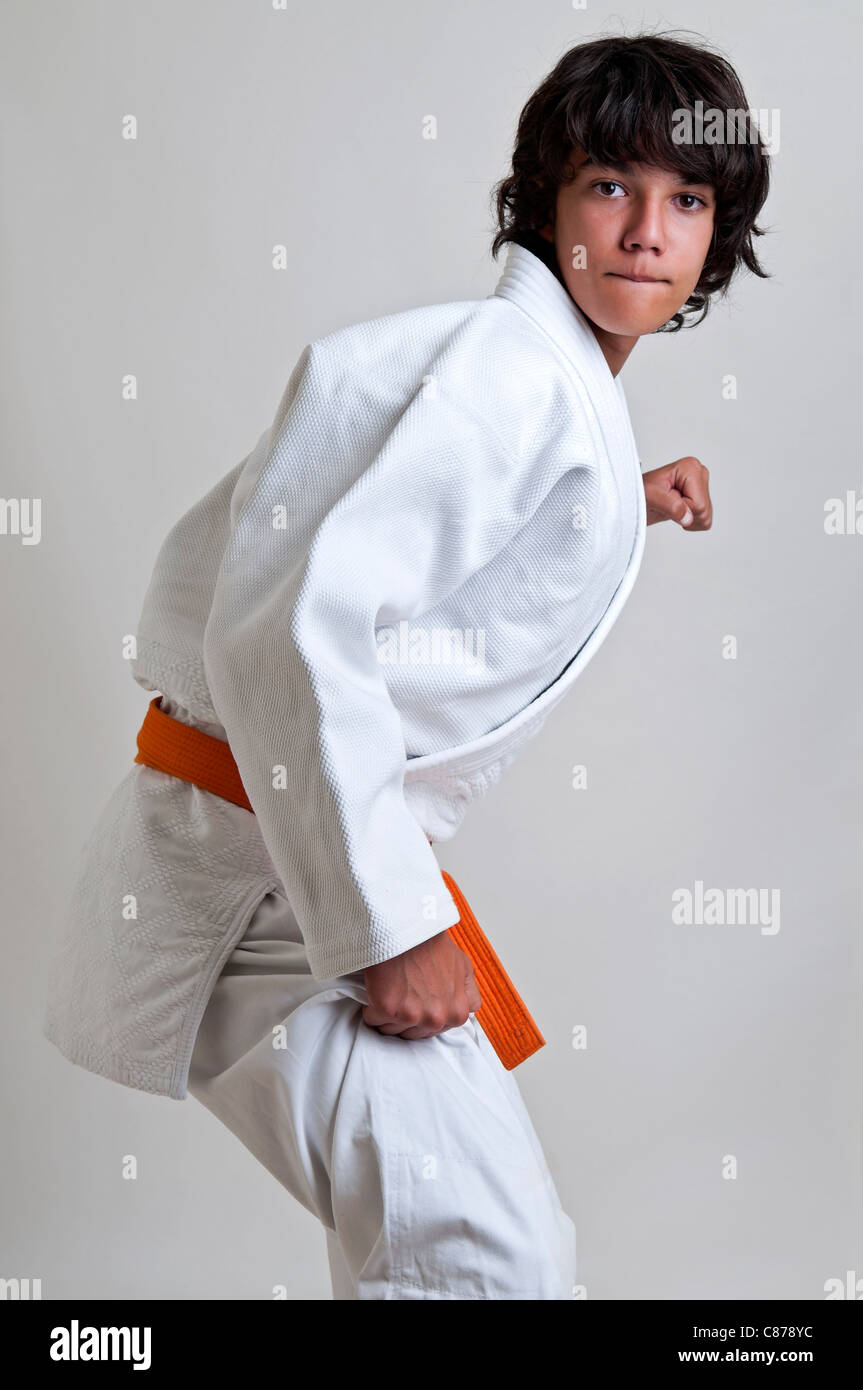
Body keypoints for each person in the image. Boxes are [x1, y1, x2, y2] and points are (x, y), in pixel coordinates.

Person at [42, 30, 770, 1299]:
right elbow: (284, 626)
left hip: (277, 851)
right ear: (545, 200)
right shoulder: (510, 380)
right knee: (483, 1264)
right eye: (609, 186)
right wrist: (385, 927)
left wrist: (614, 499)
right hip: (266, 880)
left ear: (718, 233)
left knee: (454, 1256)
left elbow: (422, 545)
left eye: (687, 199)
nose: (647, 230)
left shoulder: (544, 395)